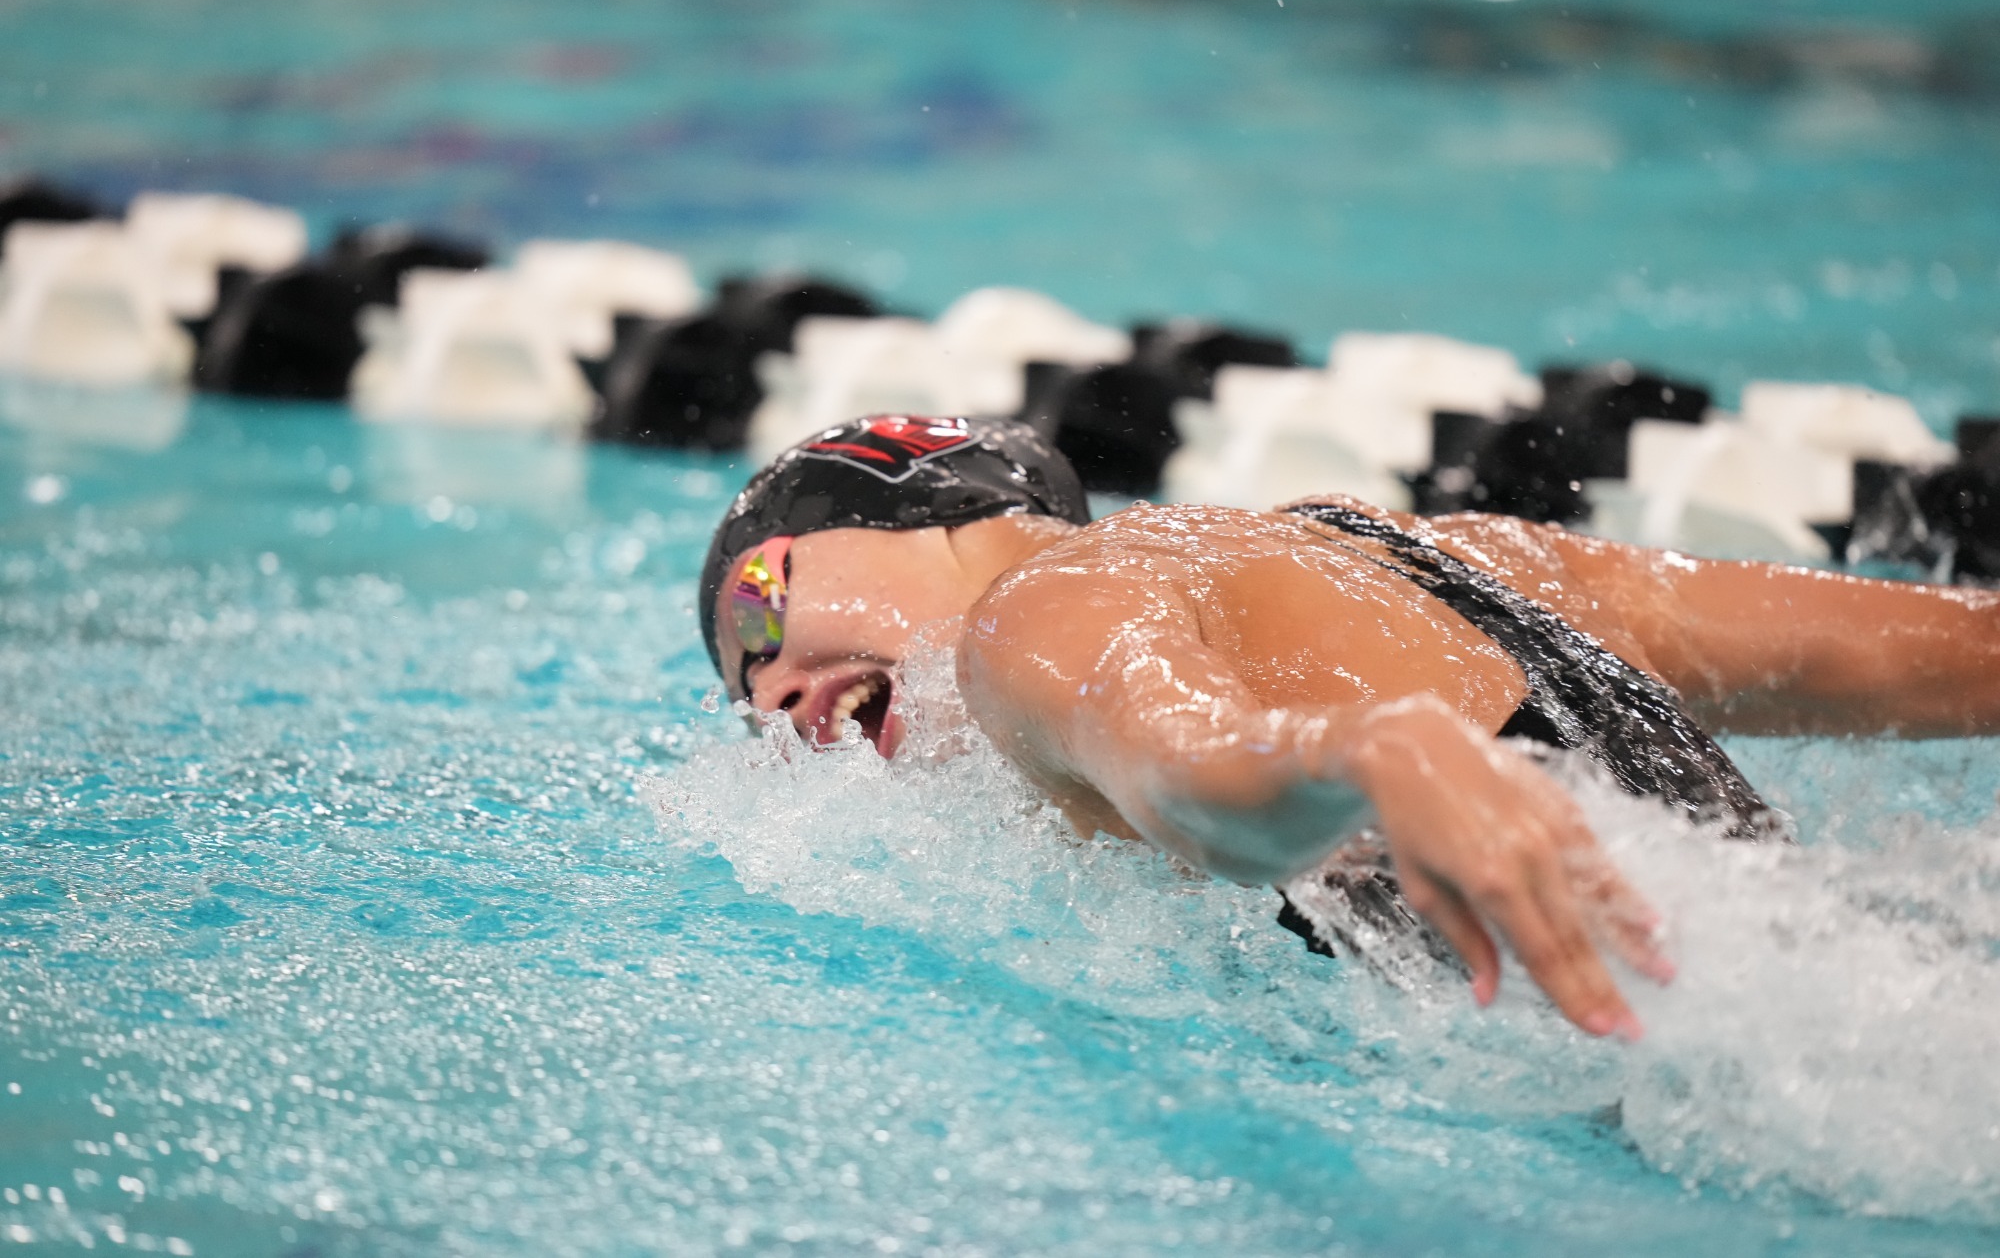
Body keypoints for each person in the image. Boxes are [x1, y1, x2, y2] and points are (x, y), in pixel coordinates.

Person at [699, 415, 2000, 1040]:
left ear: (927, 507)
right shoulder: (1401, 551)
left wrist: (1370, 752)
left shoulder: (1034, 619)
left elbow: (1188, 764)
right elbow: (1965, 652)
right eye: (741, 688)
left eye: (761, 606)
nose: (770, 696)